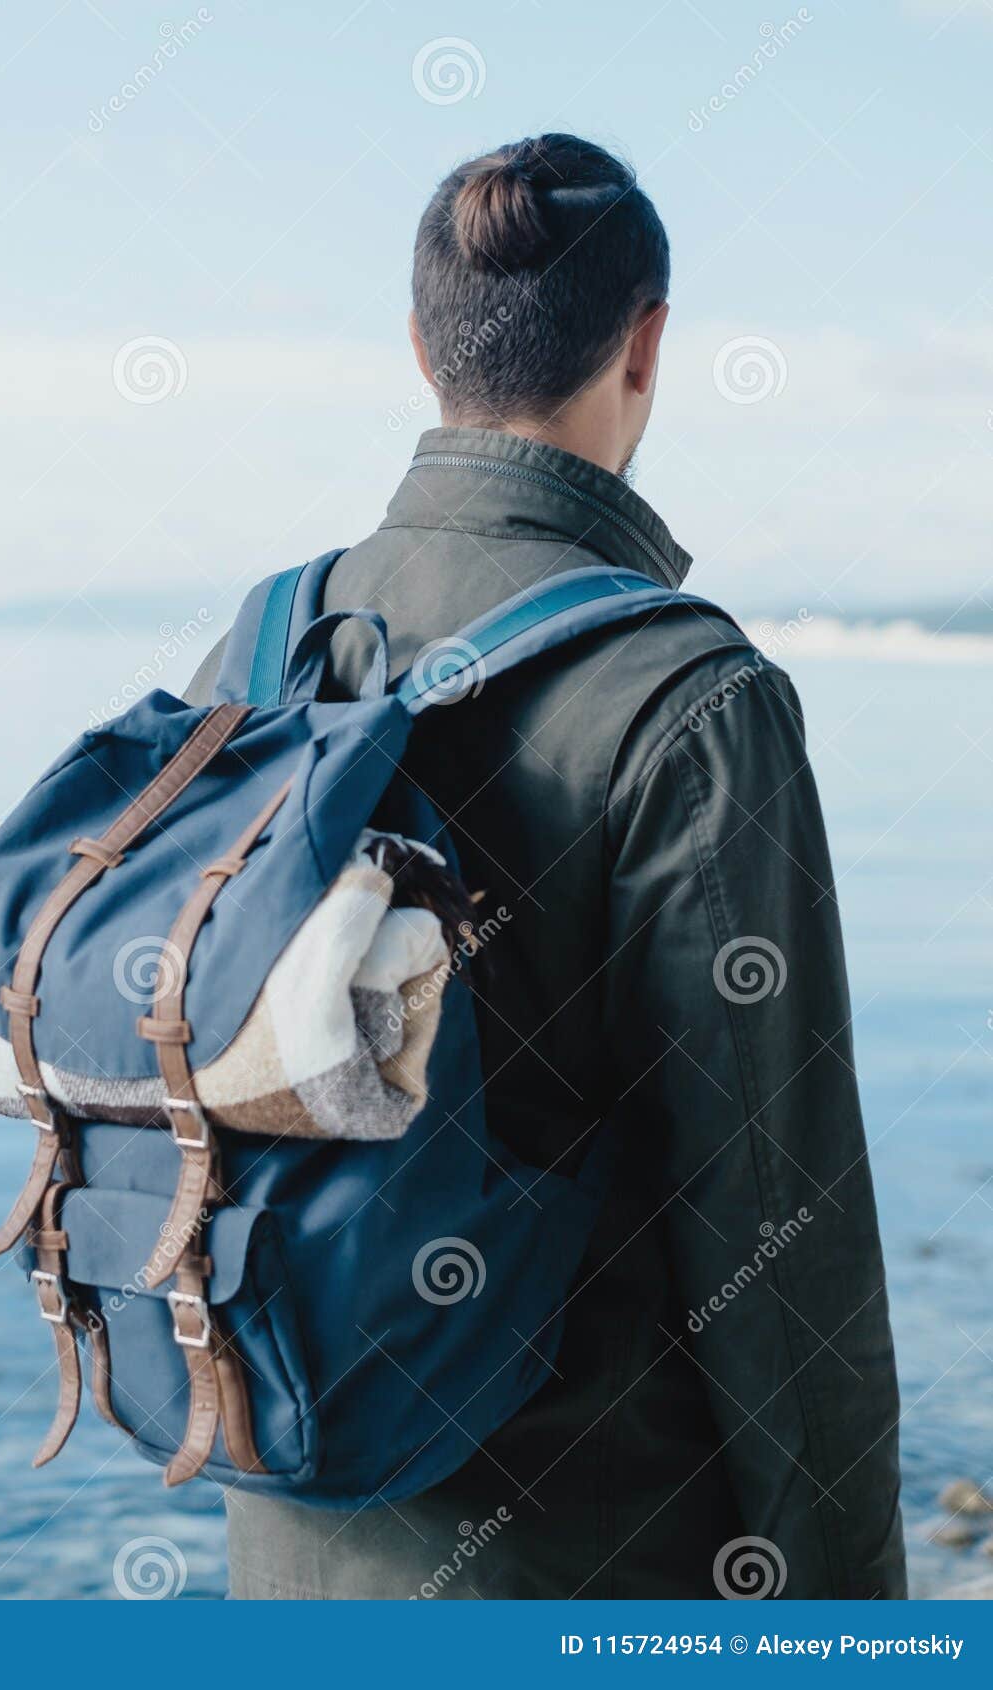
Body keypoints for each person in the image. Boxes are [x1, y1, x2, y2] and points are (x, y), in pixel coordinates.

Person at [186, 133, 905, 1600]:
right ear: (644, 347)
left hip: (285, 1545)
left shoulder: (256, 650)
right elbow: (778, 1233)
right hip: (593, 1566)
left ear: (418, 347)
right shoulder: (687, 700)